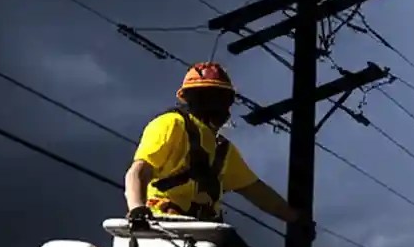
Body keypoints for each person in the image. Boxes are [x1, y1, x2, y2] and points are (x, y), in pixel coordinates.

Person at [124, 62, 309, 234]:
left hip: (202, 233)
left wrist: (296, 218)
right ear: (191, 99)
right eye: (207, 97)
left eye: (220, 98)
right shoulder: (172, 124)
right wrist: (137, 210)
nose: (216, 105)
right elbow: (138, 171)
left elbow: (257, 192)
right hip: (162, 227)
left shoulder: (222, 149)